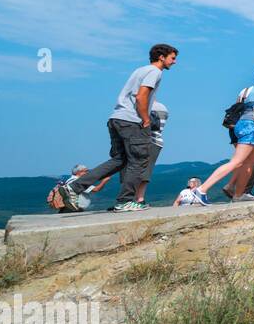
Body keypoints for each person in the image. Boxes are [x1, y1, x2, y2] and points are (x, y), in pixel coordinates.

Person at [64, 44, 178, 212]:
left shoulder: (139, 70)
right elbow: (141, 96)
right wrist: (146, 119)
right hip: (132, 121)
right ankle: (124, 201)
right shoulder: (155, 72)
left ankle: (74, 187)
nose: (174, 62)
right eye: (172, 58)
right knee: (139, 161)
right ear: (162, 57)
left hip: (116, 118)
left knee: (119, 160)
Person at [195, 63, 254, 204]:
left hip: (244, 125)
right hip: (252, 127)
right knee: (237, 162)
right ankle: (201, 190)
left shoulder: (253, 88)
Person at [135, 101, 166, 207]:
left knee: (139, 171)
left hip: (147, 141)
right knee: (145, 171)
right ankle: (139, 198)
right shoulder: (162, 107)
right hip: (156, 142)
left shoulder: (148, 106)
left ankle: (137, 199)